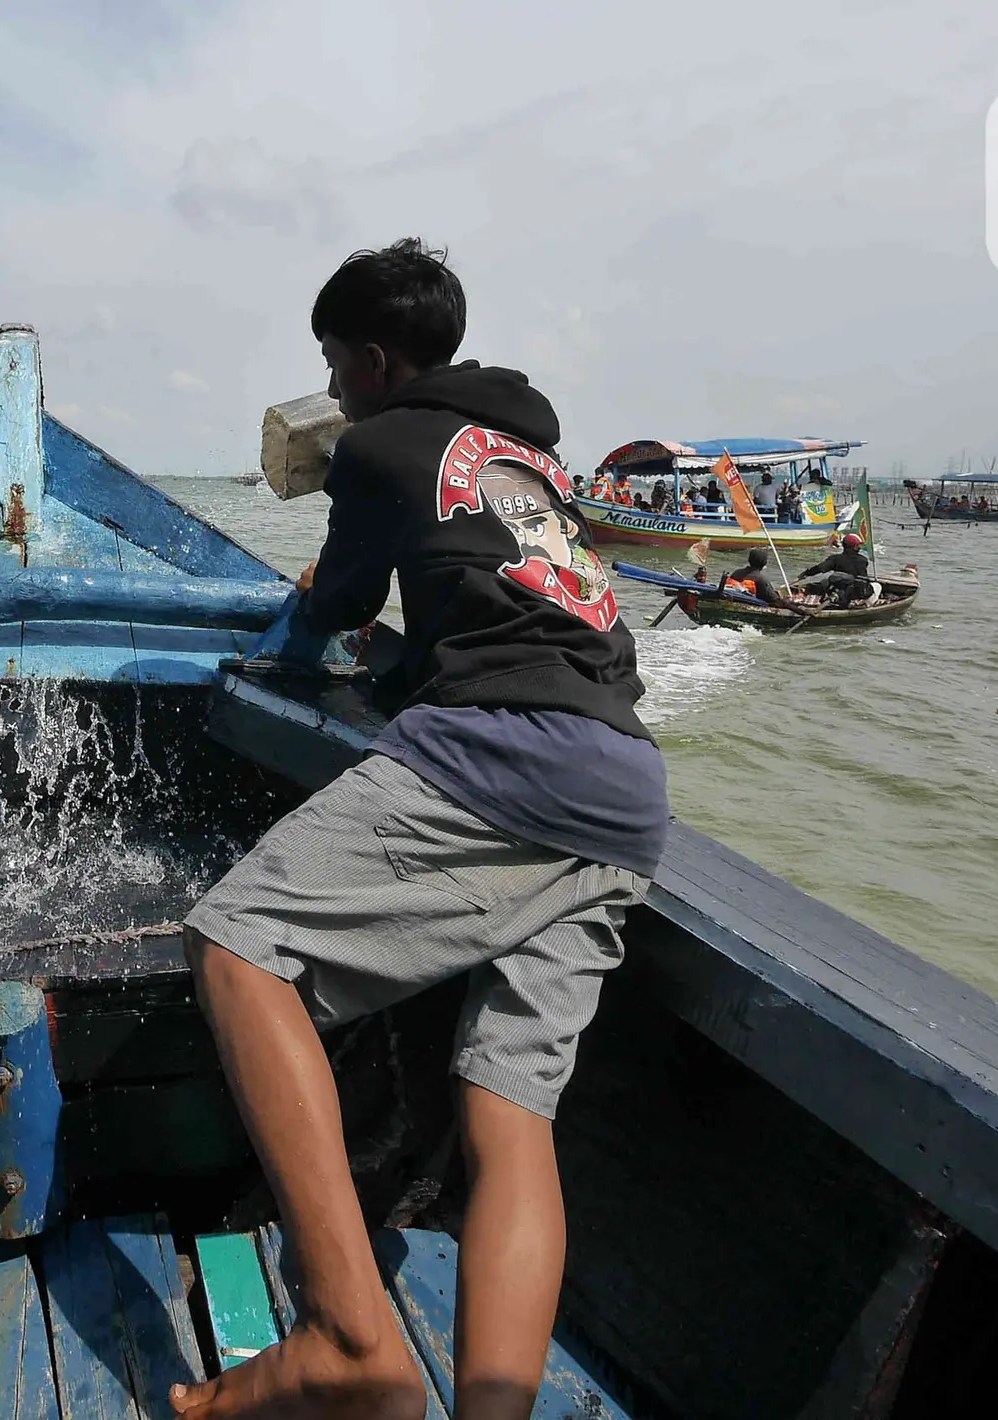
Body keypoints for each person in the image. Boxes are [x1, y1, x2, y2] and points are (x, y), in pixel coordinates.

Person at [171, 239, 663, 1420]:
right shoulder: (522, 454)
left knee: (236, 947)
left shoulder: (380, 443)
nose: (331, 390)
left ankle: (349, 1337)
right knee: (507, 1106)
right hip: (625, 788)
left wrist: (290, 633)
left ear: (374, 362)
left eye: (334, 365)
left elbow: (331, 612)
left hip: (507, 757)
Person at [796, 532, 872, 605]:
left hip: (837, 590)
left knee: (824, 582)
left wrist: (806, 573)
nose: (859, 547)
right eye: (858, 545)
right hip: (856, 593)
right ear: (855, 547)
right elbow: (864, 579)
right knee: (877, 586)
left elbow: (820, 568)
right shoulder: (863, 560)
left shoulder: (835, 559)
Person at [719, 545, 790, 604]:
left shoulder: (736, 573)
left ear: (749, 560)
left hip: (736, 601)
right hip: (753, 604)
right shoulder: (761, 579)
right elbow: (774, 600)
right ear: (764, 563)